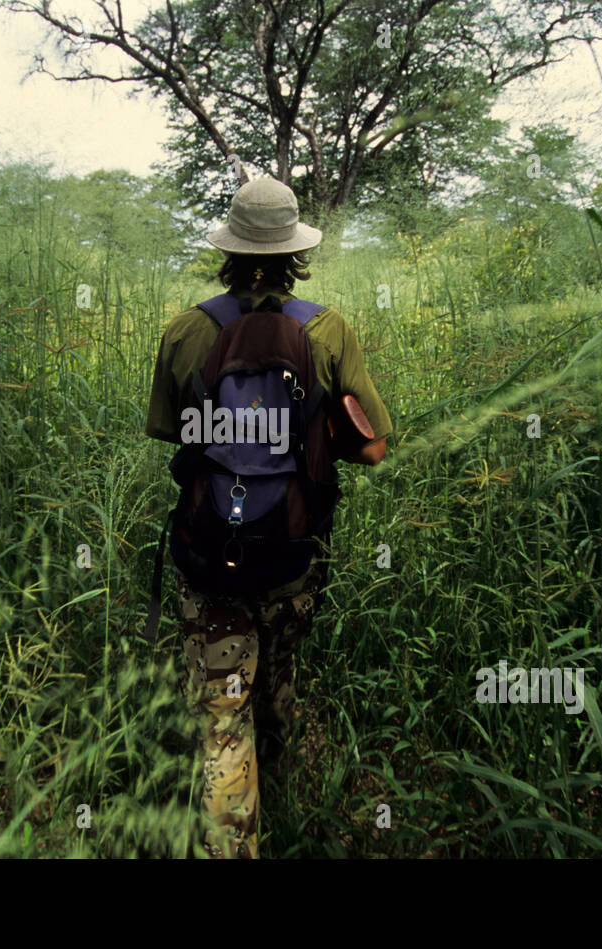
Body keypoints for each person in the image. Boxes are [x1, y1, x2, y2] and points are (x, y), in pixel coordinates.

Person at [145, 177, 391, 858]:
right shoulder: (327, 329)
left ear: (228, 248)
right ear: (295, 253)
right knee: (277, 680)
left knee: (224, 718)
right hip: (292, 553)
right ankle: (285, 785)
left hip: (211, 554)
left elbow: (174, 435)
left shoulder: (187, 330)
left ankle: (236, 836)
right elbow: (373, 447)